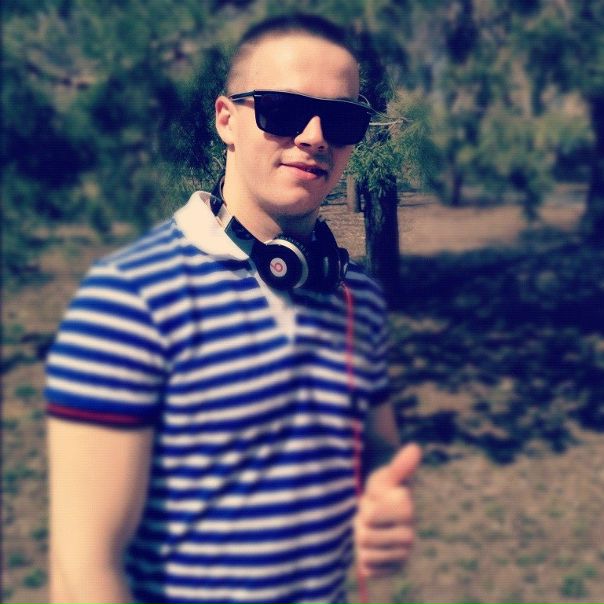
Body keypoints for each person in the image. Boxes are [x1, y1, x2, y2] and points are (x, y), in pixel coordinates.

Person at [46, 13, 421, 604]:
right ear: (226, 119)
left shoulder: (358, 297)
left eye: (342, 120)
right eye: (283, 110)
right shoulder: (127, 300)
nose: (315, 137)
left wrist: (382, 497)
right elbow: (81, 572)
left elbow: (379, 449)